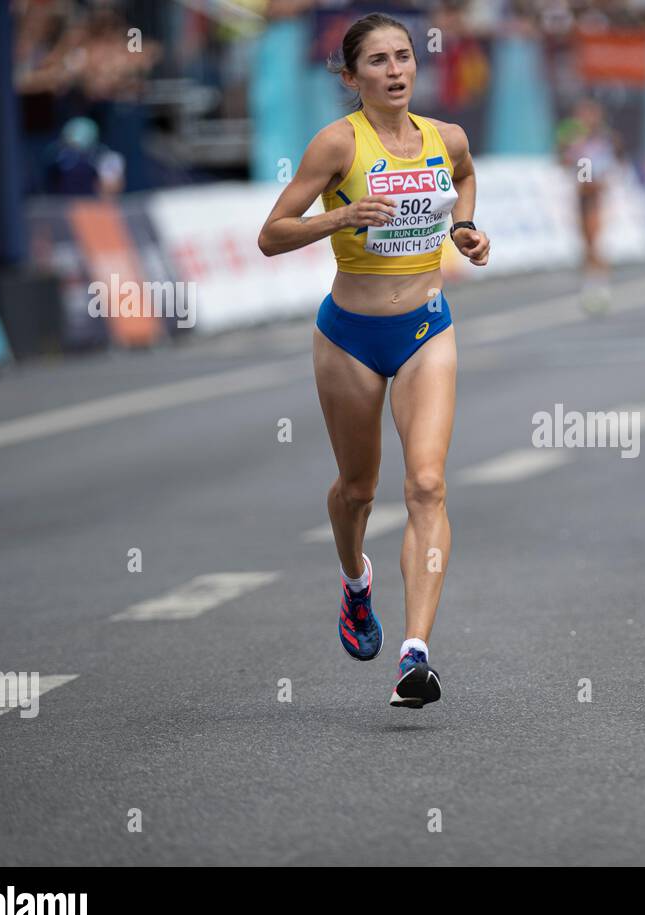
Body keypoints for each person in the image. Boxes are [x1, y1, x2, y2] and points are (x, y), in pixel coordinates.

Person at [257, 13, 491, 709]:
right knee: (358, 490)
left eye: (404, 57)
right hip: (349, 336)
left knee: (427, 485)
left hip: (425, 327)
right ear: (351, 76)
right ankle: (355, 583)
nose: (395, 71)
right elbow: (271, 234)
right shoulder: (336, 144)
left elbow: (466, 176)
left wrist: (464, 230)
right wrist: (340, 217)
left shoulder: (445, 138)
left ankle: (415, 653)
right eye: (379, 62)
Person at [556, 98, 624, 314]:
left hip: (595, 197)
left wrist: (596, 182)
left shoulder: (602, 141)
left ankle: (599, 286)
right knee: (585, 242)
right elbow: (564, 161)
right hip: (580, 196)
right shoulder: (576, 141)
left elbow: (609, 166)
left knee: (594, 241)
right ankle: (592, 284)